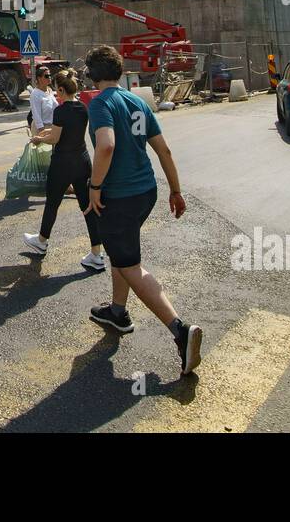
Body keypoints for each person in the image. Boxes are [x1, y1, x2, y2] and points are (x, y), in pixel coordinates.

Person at [82, 44, 203, 376]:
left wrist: (94, 187)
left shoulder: (100, 104)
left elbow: (106, 145)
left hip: (117, 197)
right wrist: (175, 190)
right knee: (123, 252)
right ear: (120, 71)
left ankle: (180, 331)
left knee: (130, 264)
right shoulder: (137, 101)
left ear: (92, 75)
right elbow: (163, 149)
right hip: (146, 191)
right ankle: (118, 311)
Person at [24, 68, 106, 271]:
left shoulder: (60, 111)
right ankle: (97, 253)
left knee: (52, 203)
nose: (55, 94)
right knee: (87, 207)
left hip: (62, 164)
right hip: (82, 161)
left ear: (61, 89)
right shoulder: (83, 108)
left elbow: (55, 137)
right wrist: (45, 134)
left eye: (57, 91)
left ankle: (41, 242)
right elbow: (64, 129)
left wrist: (38, 138)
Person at [27, 65, 57, 135]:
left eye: (50, 75)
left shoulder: (50, 90)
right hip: (41, 129)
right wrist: (42, 132)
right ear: (39, 78)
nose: (49, 77)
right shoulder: (35, 94)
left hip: (52, 127)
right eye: (46, 76)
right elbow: (36, 115)